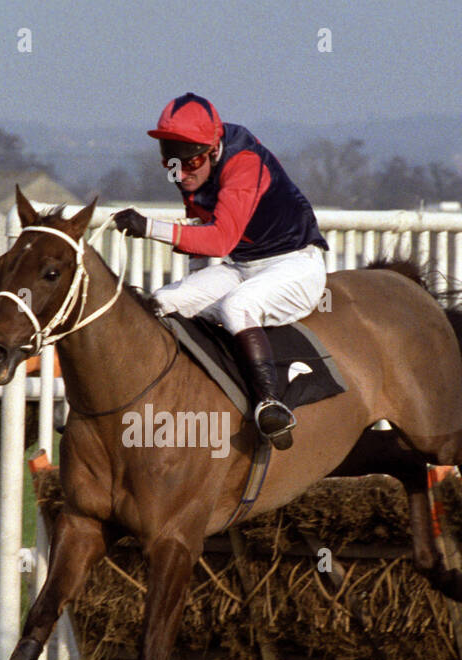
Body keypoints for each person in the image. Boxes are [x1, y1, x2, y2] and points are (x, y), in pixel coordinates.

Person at [111, 93, 329, 450]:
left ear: (213, 150)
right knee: (163, 301)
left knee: (236, 307)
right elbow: (199, 233)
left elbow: (220, 240)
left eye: (192, 159)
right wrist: (191, 285)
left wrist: (149, 227)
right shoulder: (186, 170)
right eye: (171, 160)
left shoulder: (244, 163)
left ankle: (271, 404)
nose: (182, 171)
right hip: (242, 266)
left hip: (294, 265)